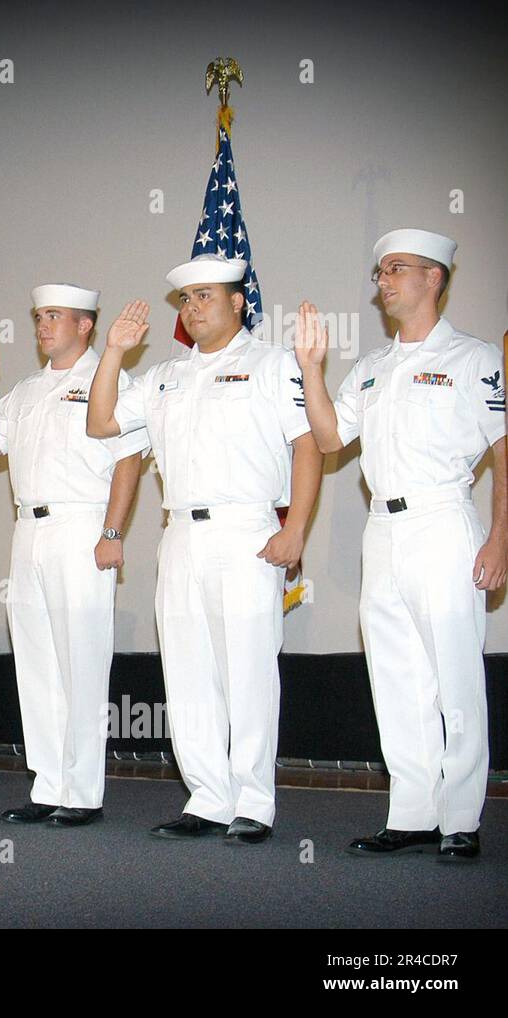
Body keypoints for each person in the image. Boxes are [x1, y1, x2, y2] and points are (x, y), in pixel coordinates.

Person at [87, 254, 322, 845]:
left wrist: (296, 528)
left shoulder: (273, 365)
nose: (192, 310)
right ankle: (207, 797)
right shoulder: (166, 375)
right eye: (185, 301)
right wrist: (113, 351)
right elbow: (100, 423)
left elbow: (310, 445)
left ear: (239, 302)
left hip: (247, 531)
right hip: (180, 534)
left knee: (246, 669)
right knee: (187, 672)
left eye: (205, 297)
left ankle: (253, 802)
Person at [294, 228, 506, 862]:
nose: (382, 281)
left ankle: (461, 818)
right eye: (379, 271)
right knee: (395, 676)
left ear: (434, 278)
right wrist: (310, 368)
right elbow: (331, 440)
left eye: (397, 269)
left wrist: (501, 537)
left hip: (443, 522)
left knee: (455, 678)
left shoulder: (474, 359)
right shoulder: (373, 367)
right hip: (381, 530)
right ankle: (412, 812)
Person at [0, 285, 148, 827]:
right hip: (29, 530)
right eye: (39, 316)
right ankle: (48, 785)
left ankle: (83, 792)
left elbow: (128, 460)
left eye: (55, 316)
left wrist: (113, 532)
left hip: (81, 526)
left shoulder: (109, 379)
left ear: (86, 325)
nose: (43, 325)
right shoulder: (25, 389)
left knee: (82, 663)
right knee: (38, 664)